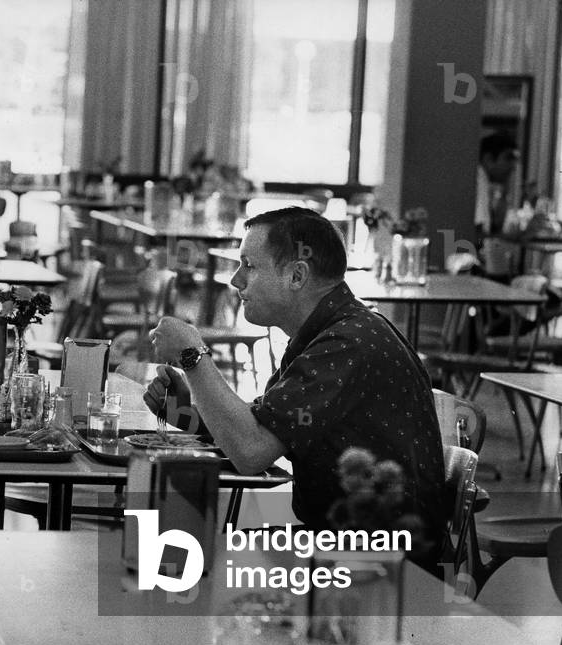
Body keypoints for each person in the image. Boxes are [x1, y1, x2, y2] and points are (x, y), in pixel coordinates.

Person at [143, 207, 446, 566]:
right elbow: (265, 430)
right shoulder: (329, 331)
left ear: (297, 276)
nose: (235, 280)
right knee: (182, 546)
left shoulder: (346, 344)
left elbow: (251, 452)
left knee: (182, 553)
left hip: (380, 562)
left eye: (249, 266)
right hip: (345, 539)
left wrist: (193, 356)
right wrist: (188, 411)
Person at [476, 132, 520, 237]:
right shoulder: (478, 181)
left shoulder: (485, 182)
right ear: (488, 159)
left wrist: (505, 191)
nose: (513, 166)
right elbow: (478, 233)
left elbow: (496, 225)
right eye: (508, 158)